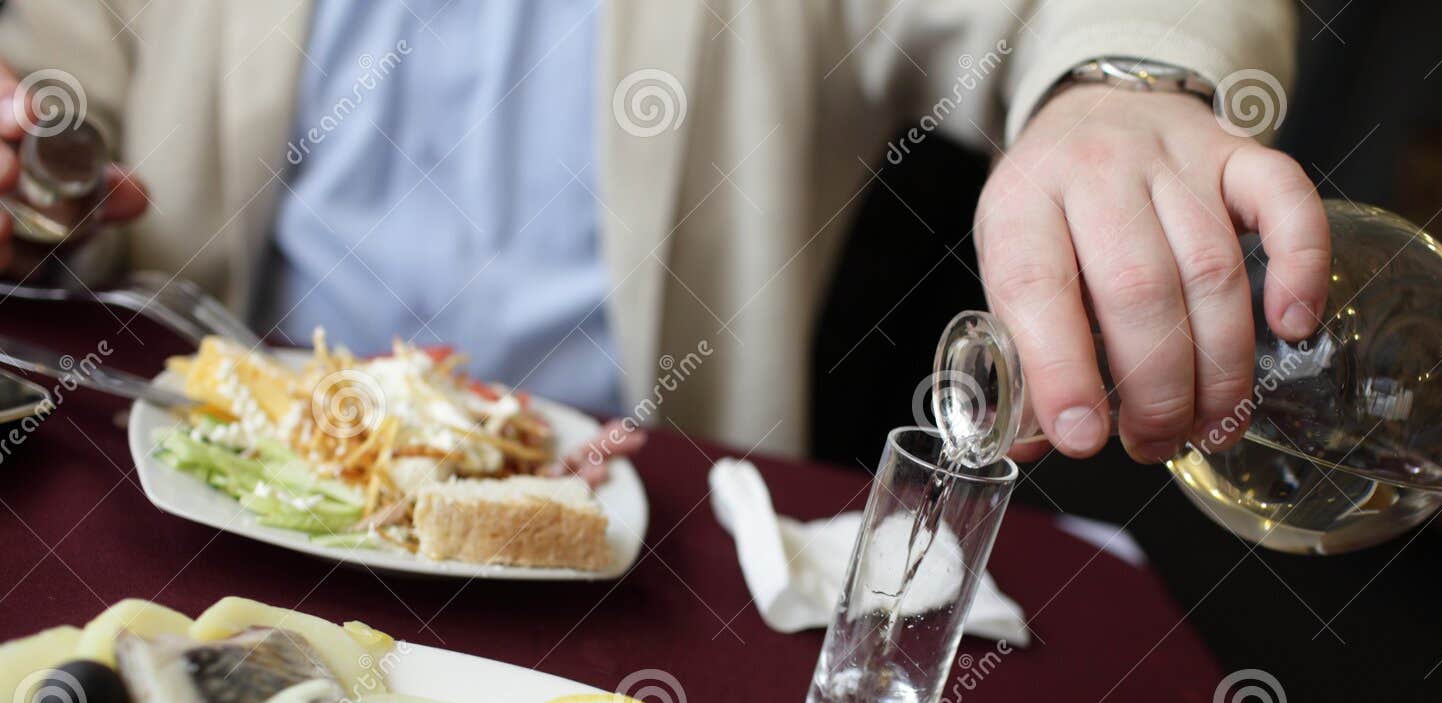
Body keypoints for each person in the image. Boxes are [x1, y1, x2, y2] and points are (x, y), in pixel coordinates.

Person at [0, 0, 1326, 464]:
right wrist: (28, 163)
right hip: (201, 447)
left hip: (616, 514)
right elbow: (52, 72)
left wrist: (1124, 89)